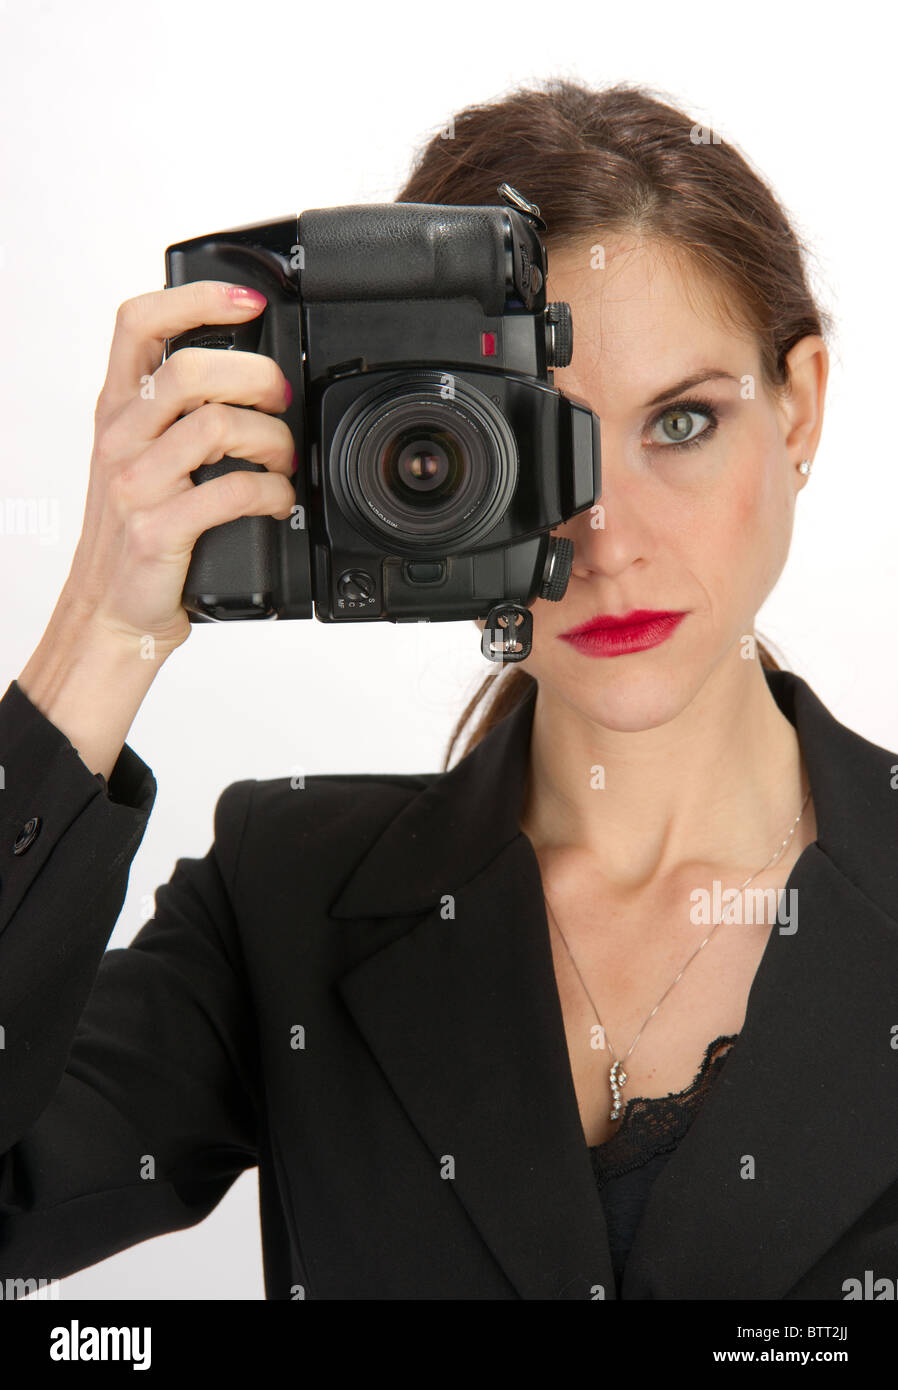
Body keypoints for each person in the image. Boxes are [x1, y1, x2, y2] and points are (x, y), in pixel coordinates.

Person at [2, 77, 896, 1301]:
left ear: (797, 409)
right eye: (528, 445)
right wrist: (98, 635)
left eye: (681, 423)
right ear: (392, 469)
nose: (609, 538)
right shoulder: (288, 896)